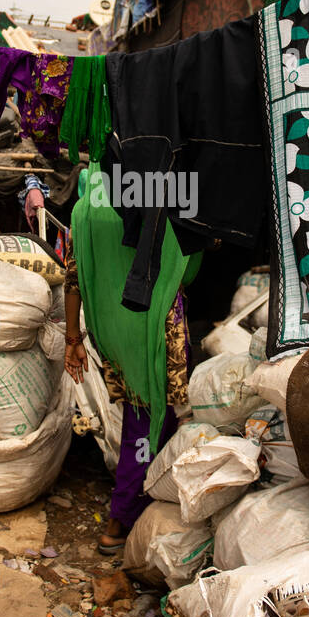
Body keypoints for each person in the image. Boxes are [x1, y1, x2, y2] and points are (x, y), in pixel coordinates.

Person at [61, 166, 197, 555]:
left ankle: (147, 498)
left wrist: (74, 338)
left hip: (112, 334)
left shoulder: (86, 208)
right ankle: (120, 520)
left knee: (146, 420)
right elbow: (189, 266)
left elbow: (74, 277)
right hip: (155, 332)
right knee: (146, 425)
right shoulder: (166, 193)